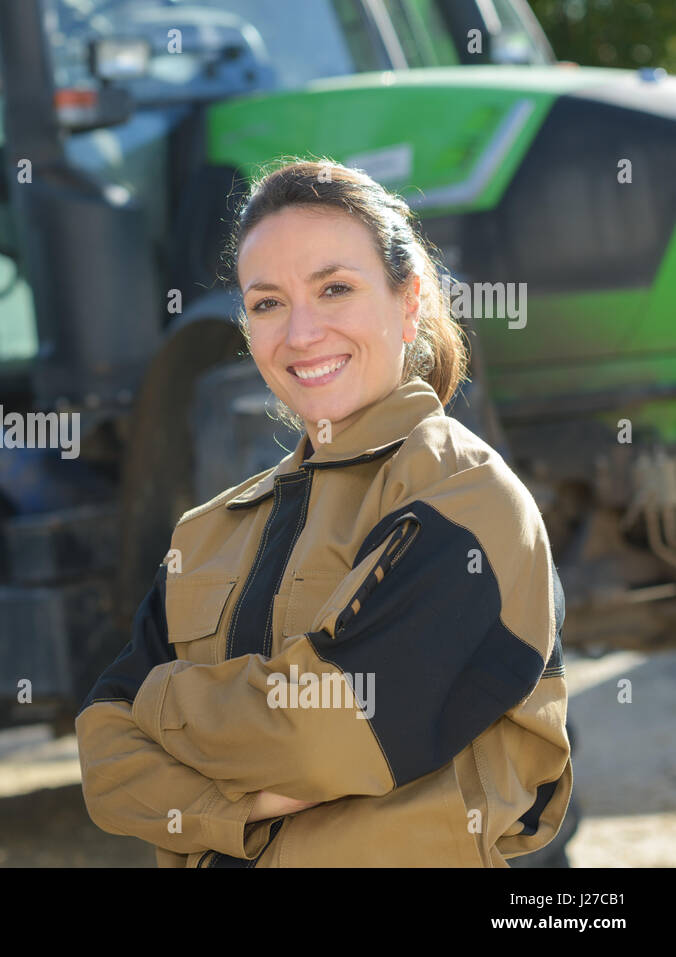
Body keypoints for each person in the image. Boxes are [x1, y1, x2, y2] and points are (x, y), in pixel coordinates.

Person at [75, 159, 572, 867]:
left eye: (335, 288)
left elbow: (329, 731)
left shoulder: (464, 499)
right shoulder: (207, 529)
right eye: (268, 302)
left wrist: (160, 705)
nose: (301, 333)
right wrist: (241, 807)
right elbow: (102, 757)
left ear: (409, 301)